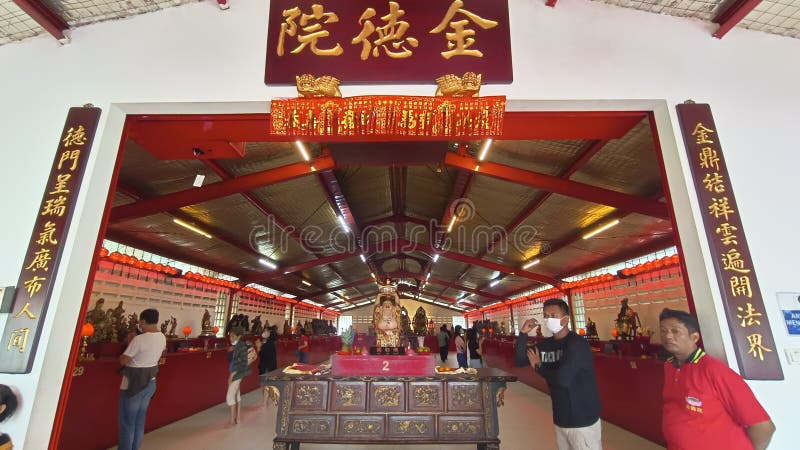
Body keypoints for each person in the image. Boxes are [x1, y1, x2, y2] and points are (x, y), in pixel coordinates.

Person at [659, 309, 775, 450]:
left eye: (675, 331)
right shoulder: (669, 366)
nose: (668, 336)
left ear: (694, 337)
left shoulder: (714, 370)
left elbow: (763, 427)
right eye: (663, 331)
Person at [514, 299, 601, 450]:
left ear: (565, 319)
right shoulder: (545, 346)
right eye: (546, 316)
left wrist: (539, 367)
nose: (549, 319)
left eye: (553, 315)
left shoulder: (577, 344)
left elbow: (563, 379)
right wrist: (523, 334)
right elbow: (520, 360)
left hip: (582, 420)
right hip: (561, 418)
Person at [118, 308, 166, 450]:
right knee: (139, 422)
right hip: (150, 382)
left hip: (134, 384)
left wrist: (130, 342)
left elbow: (124, 360)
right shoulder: (162, 337)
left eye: (140, 322)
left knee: (127, 423)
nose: (139, 324)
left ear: (143, 321)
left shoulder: (139, 339)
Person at [226, 327, 251, 426]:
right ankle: (238, 417)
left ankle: (232, 420)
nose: (231, 339)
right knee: (236, 394)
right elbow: (231, 360)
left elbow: (243, 363)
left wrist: (232, 375)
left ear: (239, 336)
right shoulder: (235, 346)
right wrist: (230, 352)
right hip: (234, 372)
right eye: (230, 336)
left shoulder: (242, 346)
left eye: (233, 336)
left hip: (238, 374)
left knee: (230, 396)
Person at [257, 328, 278, 406]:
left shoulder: (268, 344)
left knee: (266, 385)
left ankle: (265, 403)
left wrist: (258, 347)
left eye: (266, 331)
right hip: (270, 366)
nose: (264, 332)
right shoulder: (270, 342)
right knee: (268, 384)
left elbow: (262, 355)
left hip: (267, 367)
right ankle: (272, 399)